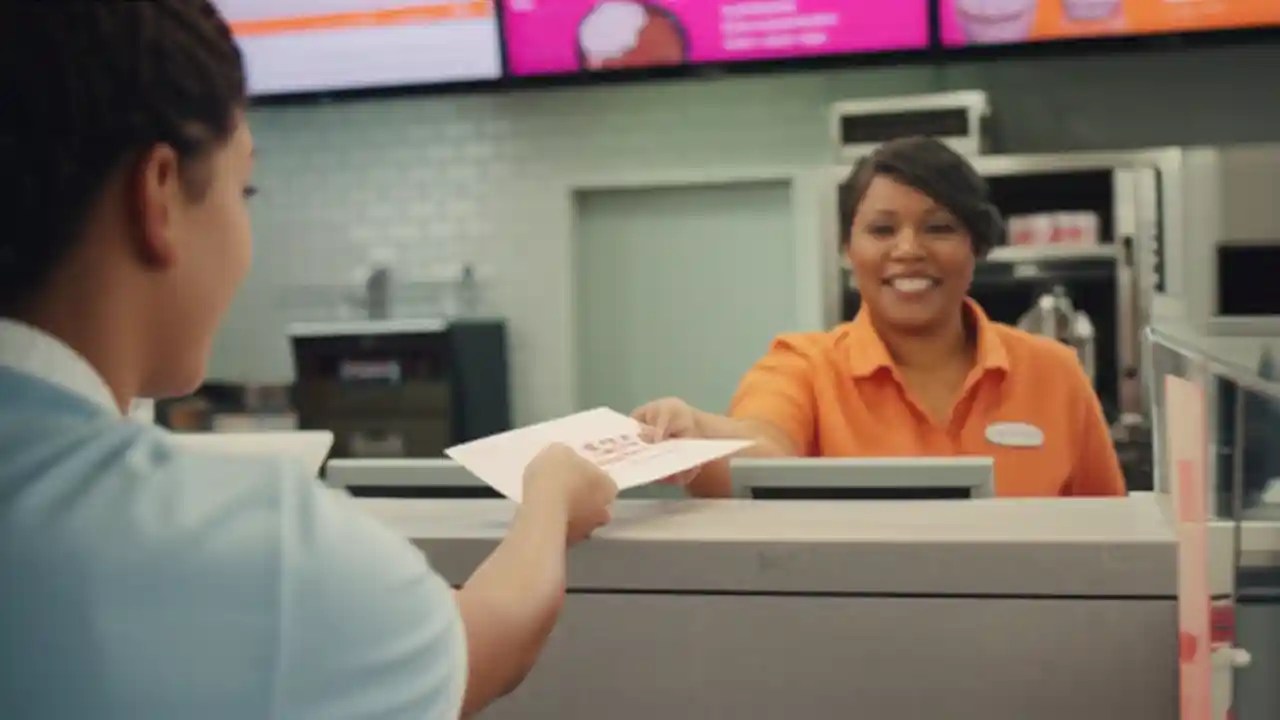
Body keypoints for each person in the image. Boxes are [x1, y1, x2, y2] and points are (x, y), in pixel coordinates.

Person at [0, 3, 616, 719]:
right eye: (245, 190)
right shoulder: (263, 556)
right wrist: (548, 497)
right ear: (159, 196)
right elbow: (487, 643)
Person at [634, 137, 1127, 499]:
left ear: (975, 246)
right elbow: (765, 448)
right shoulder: (804, 366)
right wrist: (695, 430)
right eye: (882, 229)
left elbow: (1113, 539)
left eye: (939, 228)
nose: (908, 250)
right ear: (849, 249)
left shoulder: (1054, 372)